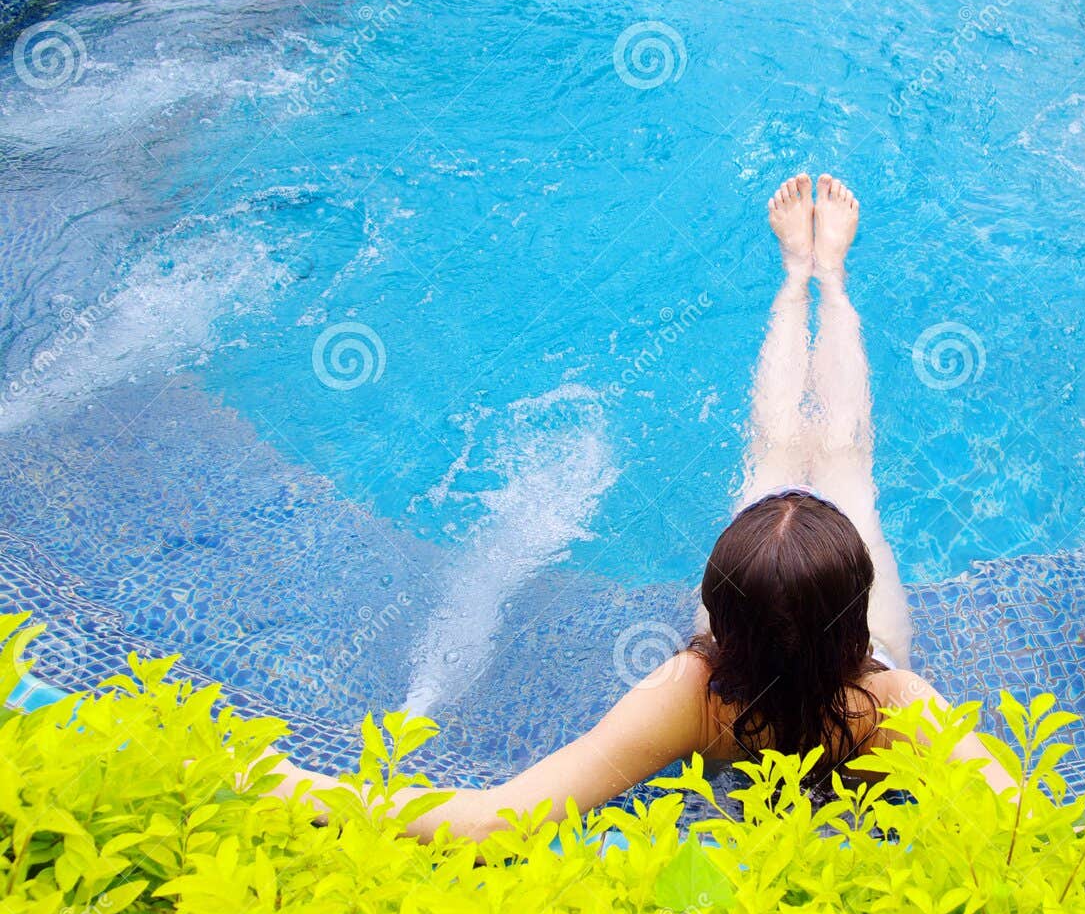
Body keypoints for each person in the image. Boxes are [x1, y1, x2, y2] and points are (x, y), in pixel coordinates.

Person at [269, 174, 1010, 840]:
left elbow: (493, 820)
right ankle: (829, 279)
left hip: (751, 670)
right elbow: (1027, 827)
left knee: (775, 452)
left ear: (716, 613)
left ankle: (798, 274)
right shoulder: (895, 705)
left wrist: (281, 781)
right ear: (857, 617)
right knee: (843, 457)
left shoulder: (691, 697)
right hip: (859, 676)